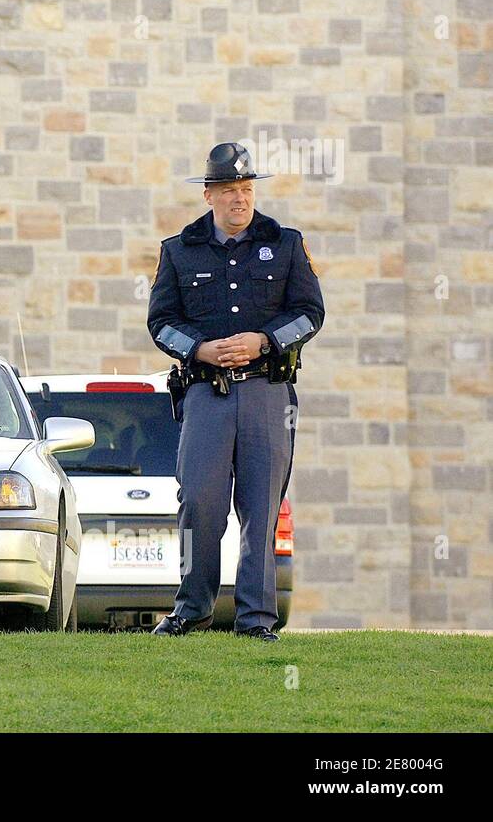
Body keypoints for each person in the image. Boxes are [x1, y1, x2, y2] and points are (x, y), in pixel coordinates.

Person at [147, 142, 325, 641]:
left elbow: (311, 313)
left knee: (261, 506)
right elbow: (160, 323)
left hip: (267, 393)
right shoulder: (178, 251)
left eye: (246, 190)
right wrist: (199, 350)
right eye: (228, 191)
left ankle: (255, 620)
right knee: (200, 502)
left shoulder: (286, 244)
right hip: (206, 394)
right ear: (209, 195)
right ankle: (193, 609)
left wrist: (265, 341)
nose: (239, 200)